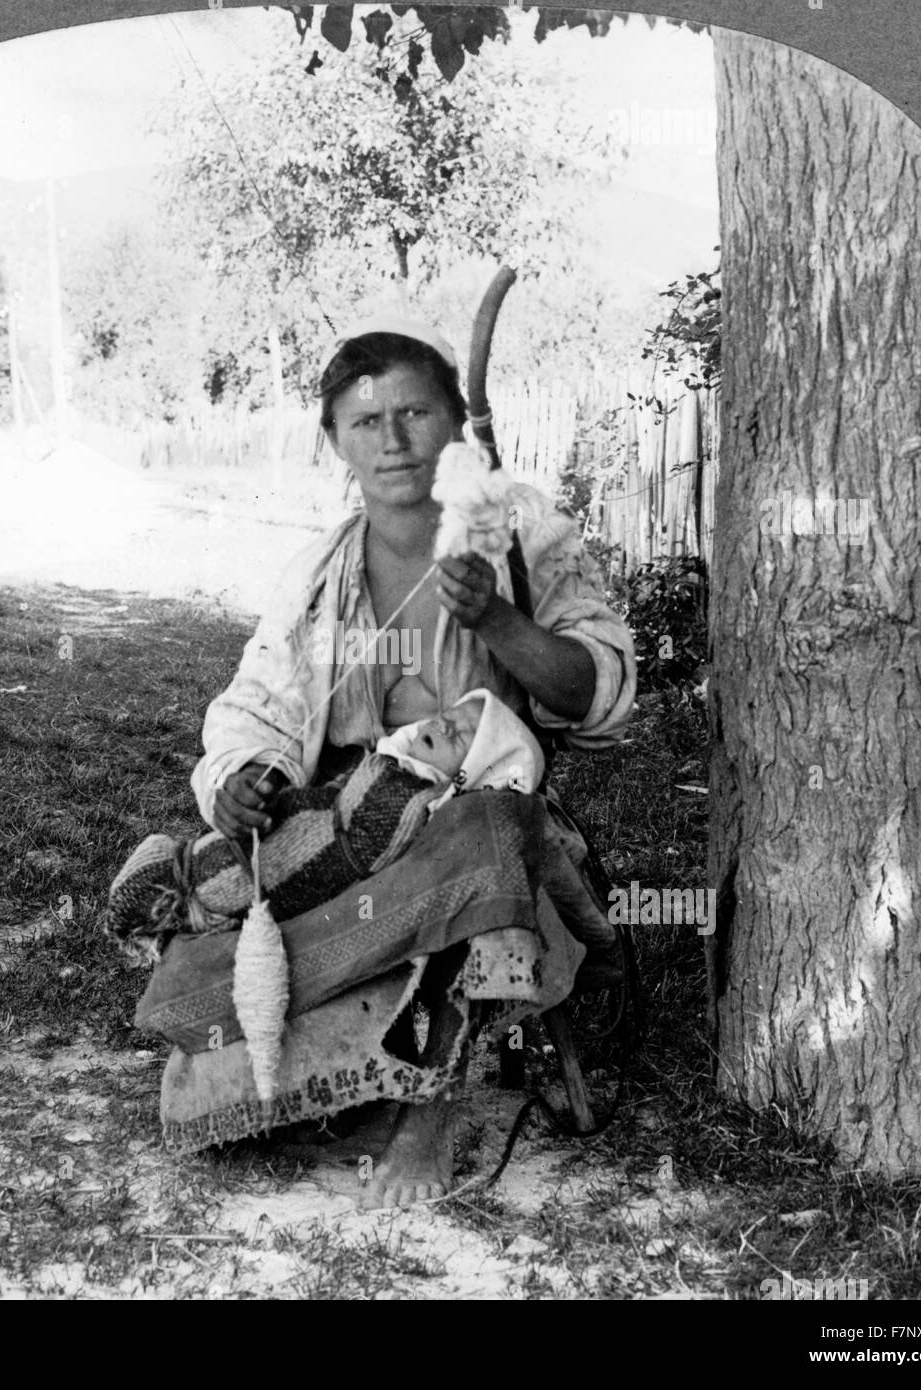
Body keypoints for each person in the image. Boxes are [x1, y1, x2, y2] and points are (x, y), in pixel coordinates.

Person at [134, 314, 636, 1208]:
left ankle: (428, 1111)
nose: (395, 440)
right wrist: (243, 780)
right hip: (353, 822)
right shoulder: (318, 575)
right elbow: (255, 707)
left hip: (483, 817)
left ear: (455, 425)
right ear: (336, 442)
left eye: (415, 413)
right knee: (218, 897)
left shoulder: (522, 537)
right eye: (367, 422)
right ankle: (297, 1077)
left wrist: (498, 622)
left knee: (487, 836)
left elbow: (596, 695)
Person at [106, 690, 546, 960]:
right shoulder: (393, 767)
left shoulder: (410, 797)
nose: (448, 724)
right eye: (452, 714)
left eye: (466, 736)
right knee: (191, 862)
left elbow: (360, 838)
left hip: (289, 867)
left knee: (205, 878)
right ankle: (170, 910)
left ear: (474, 772)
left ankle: (173, 915)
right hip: (283, 838)